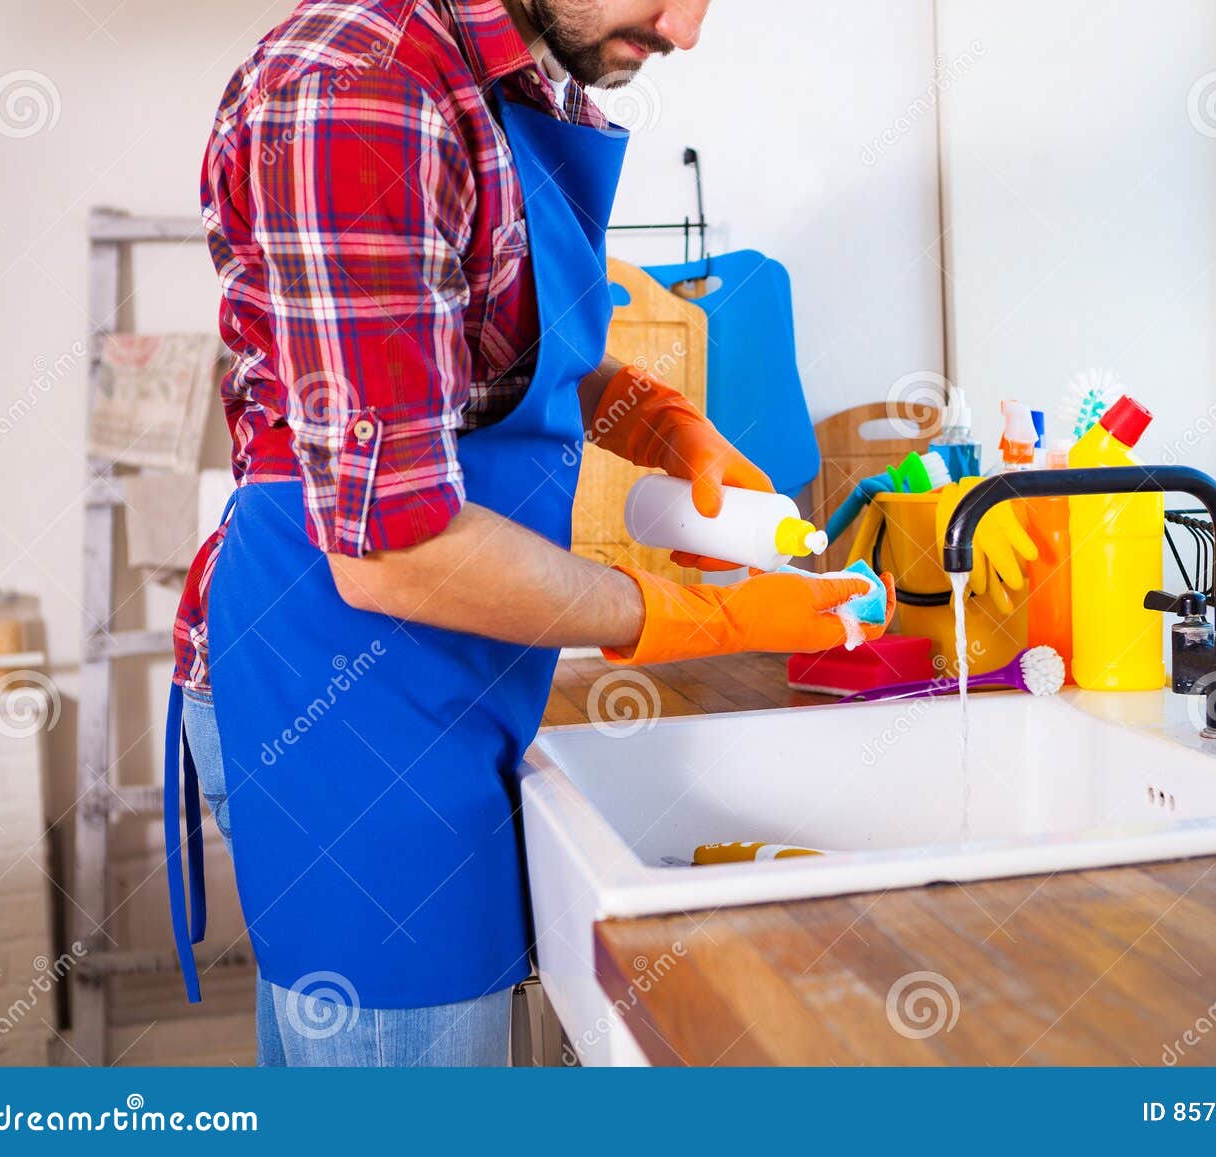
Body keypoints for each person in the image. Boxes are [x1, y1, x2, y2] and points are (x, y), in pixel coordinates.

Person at [165, 0, 896, 1067]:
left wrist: (647, 415)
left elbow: (474, 323)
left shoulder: (520, 74)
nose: (686, 31)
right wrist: (689, 613)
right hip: (337, 687)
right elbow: (393, 547)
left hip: (460, 669)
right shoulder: (359, 91)